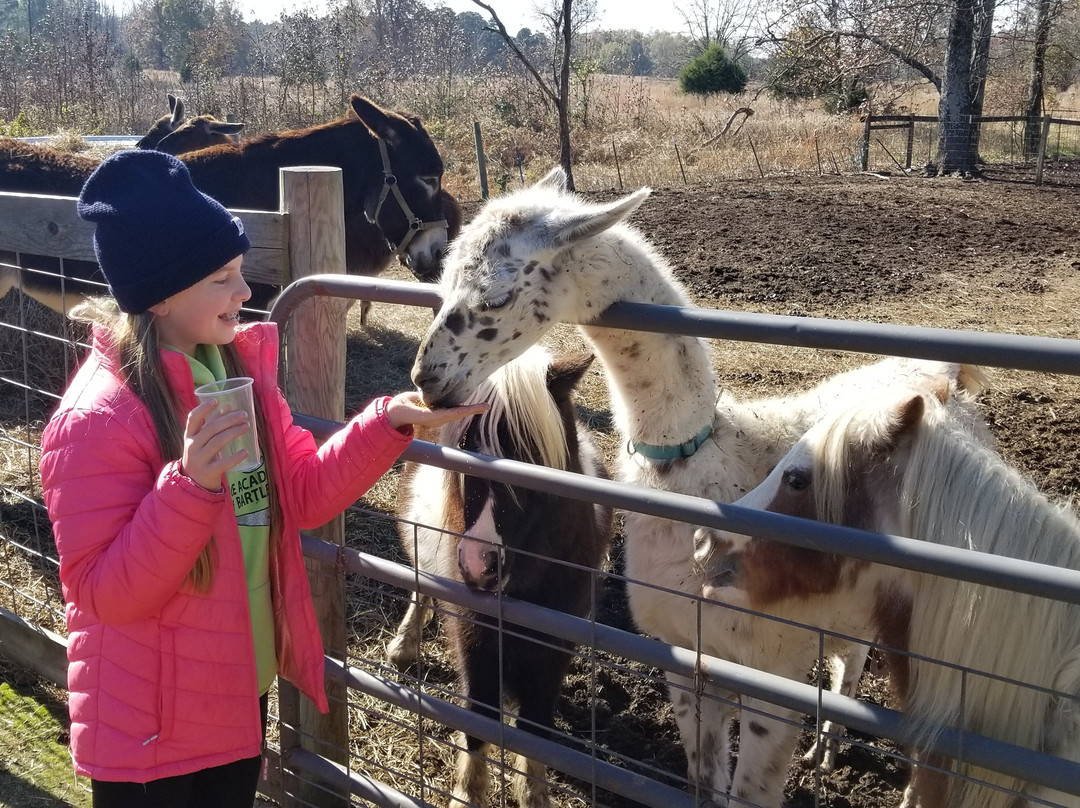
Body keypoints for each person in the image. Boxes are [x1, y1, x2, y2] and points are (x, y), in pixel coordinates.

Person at [38, 149, 484, 808]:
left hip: (235, 693)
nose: (245, 294)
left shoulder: (232, 377)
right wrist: (189, 488)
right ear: (160, 294)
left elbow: (301, 493)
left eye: (242, 273)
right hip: (149, 733)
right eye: (223, 278)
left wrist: (389, 422)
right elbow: (104, 594)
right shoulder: (96, 420)